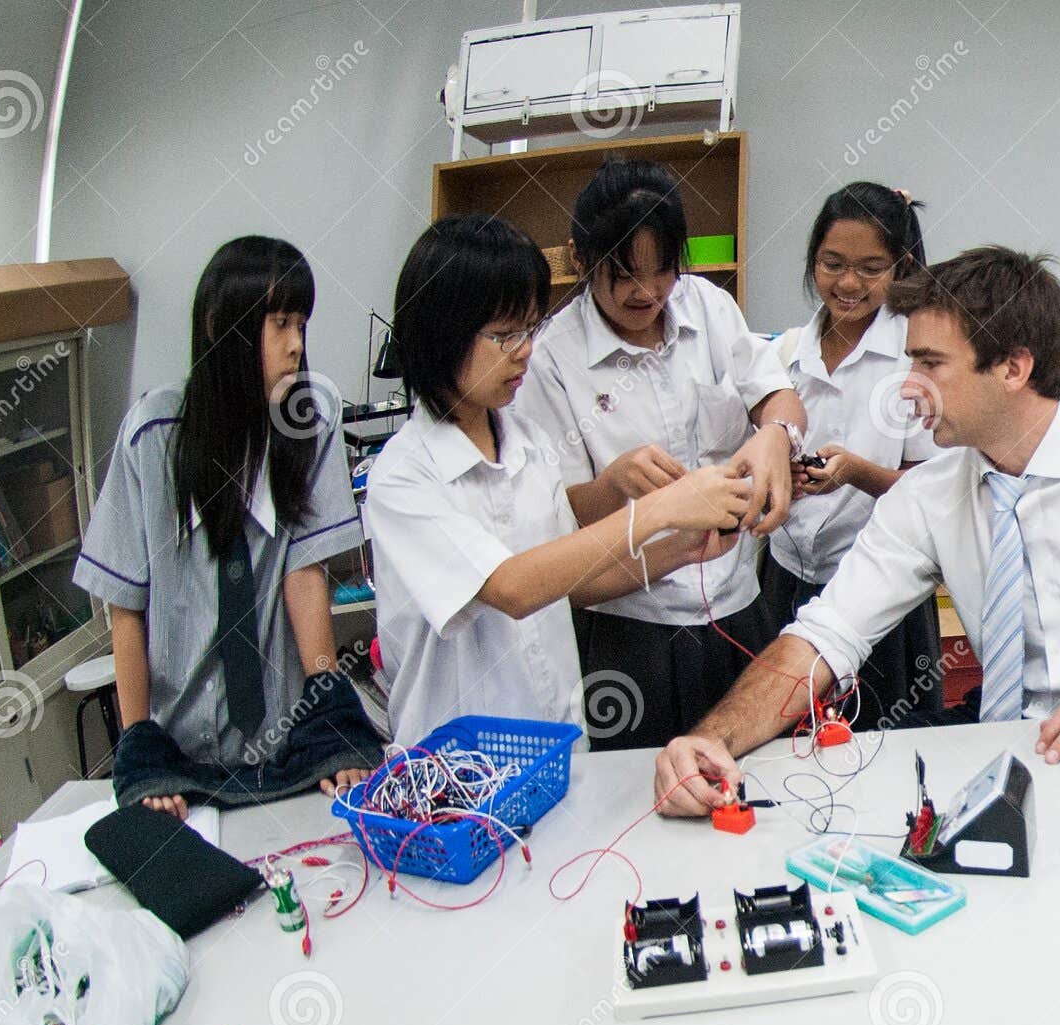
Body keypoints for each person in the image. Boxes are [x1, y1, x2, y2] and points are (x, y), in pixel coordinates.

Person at [652, 246, 1060, 815]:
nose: (908, 388)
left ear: (1013, 367)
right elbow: (826, 635)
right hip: (1015, 745)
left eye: (930, 364)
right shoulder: (932, 495)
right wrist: (717, 735)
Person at [363, 215, 751, 747]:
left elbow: (577, 582)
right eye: (503, 335)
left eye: (528, 328)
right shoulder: (403, 476)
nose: (524, 350)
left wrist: (684, 551)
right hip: (455, 761)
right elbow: (514, 588)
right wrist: (662, 509)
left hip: (557, 743)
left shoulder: (530, 443)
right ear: (441, 334)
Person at [74, 236, 383, 820]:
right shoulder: (152, 437)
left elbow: (304, 573)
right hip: (181, 756)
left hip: (285, 747)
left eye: (302, 325)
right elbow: (126, 608)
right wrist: (140, 746)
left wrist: (327, 722)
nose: (296, 346)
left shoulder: (308, 429)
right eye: (280, 324)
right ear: (220, 326)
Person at [516, 158, 805, 751]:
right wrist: (616, 482)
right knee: (638, 804)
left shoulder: (708, 308)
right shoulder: (550, 360)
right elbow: (561, 520)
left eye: (664, 270)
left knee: (755, 786)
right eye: (624, 273)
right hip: (630, 629)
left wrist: (775, 433)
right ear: (580, 258)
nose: (647, 292)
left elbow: (777, 395)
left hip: (737, 608)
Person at [764, 181, 941, 719]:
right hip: (784, 577)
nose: (847, 283)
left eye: (870, 268)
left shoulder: (915, 358)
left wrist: (857, 472)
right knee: (789, 738)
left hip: (883, 592)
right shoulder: (786, 352)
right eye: (831, 263)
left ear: (900, 266)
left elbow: (934, 496)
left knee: (884, 743)